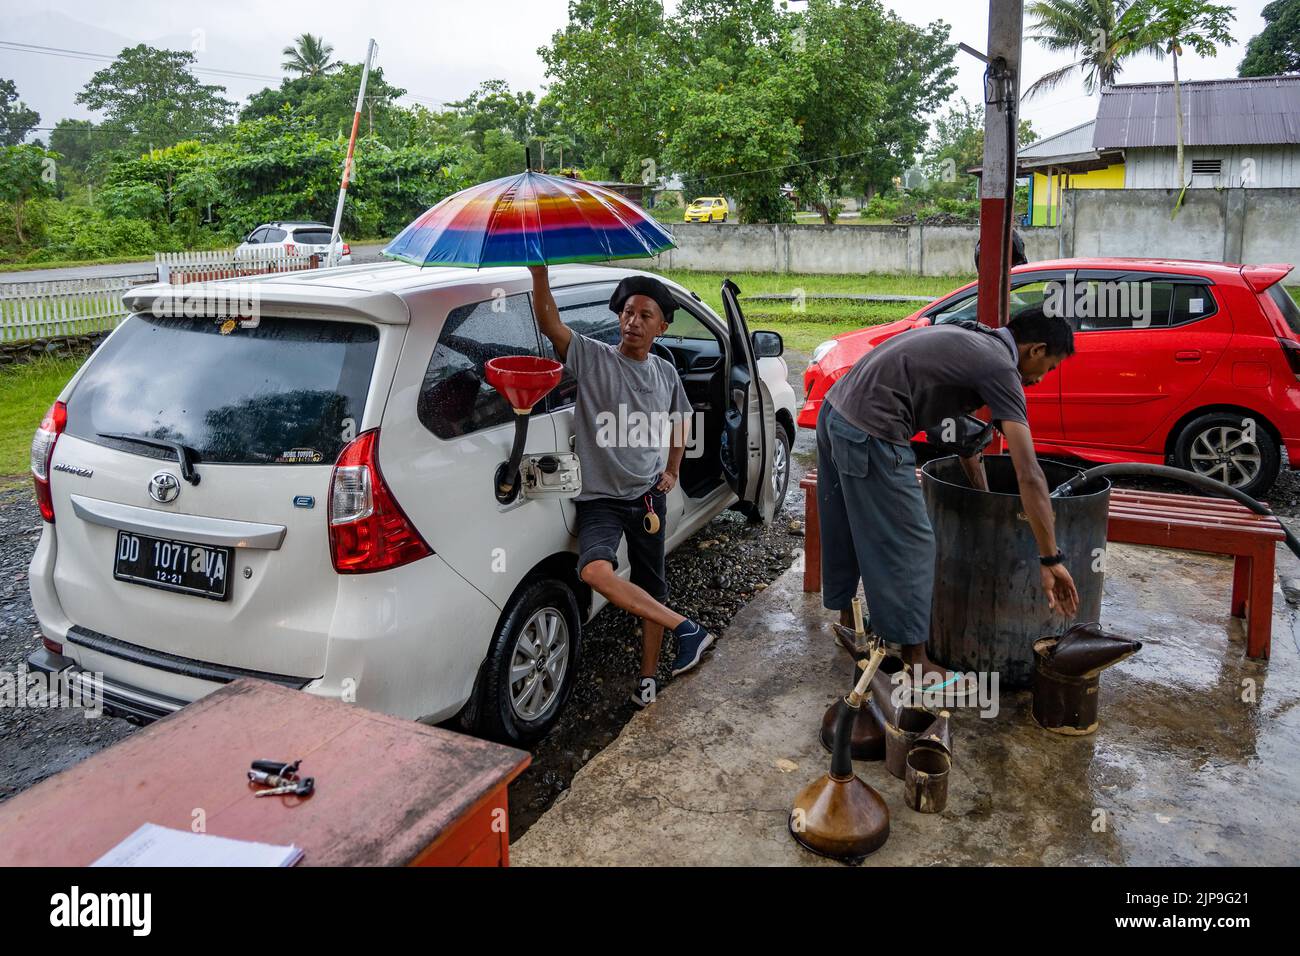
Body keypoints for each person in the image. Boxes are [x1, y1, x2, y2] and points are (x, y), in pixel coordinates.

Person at [816, 304, 1080, 691]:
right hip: (872, 429)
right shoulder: (1001, 368)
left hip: (835, 411)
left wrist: (984, 498)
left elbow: (965, 441)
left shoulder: (974, 338)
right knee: (913, 544)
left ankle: (850, 625)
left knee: (846, 524)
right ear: (1036, 350)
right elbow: (1030, 474)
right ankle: (917, 665)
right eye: (1050, 367)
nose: (1042, 379)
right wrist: (1050, 557)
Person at [529, 265, 716, 707]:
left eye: (645, 316)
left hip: (649, 496)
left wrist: (672, 469)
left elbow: (681, 421)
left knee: (654, 589)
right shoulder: (593, 357)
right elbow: (550, 323)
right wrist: (540, 274)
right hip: (601, 502)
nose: (633, 321)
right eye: (628, 312)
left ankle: (648, 678)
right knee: (594, 571)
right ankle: (685, 627)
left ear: (662, 326)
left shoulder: (665, 373)